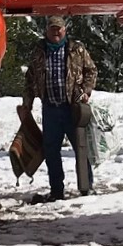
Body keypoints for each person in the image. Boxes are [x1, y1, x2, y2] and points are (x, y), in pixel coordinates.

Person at [20, 16, 97, 201]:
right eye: (53, 28)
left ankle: (86, 188)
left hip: (73, 108)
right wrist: (27, 104)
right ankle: (56, 191)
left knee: (80, 148)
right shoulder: (39, 51)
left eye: (59, 29)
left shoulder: (76, 49)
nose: (56, 32)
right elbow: (30, 79)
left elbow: (91, 71)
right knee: (51, 151)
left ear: (65, 30)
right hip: (50, 109)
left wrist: (86, 92)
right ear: (47, 30)